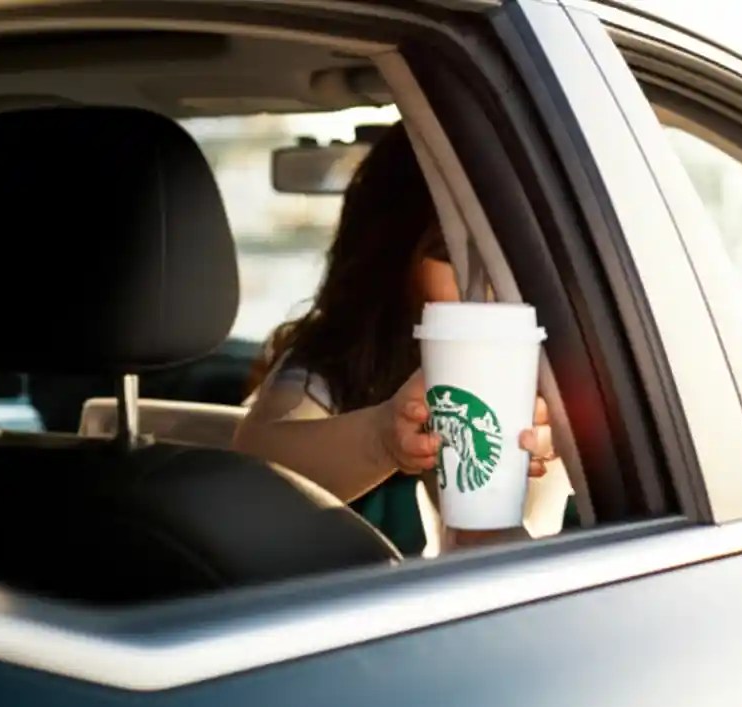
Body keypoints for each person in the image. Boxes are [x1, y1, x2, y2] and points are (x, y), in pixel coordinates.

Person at [233, 121, 566, 555]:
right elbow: (258, 458)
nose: (488, 285)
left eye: (511, 255)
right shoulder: (341, 358)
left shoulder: (569, 359)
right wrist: (383, 437)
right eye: (453, 256)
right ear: (390, 255)